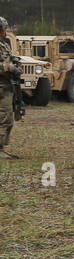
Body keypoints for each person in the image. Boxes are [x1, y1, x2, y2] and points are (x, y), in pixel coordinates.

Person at [0, 17, 22, 159]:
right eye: (3, 30)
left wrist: (15, 62)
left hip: (6, 87)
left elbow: (8, 58)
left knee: (7, 118)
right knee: (3, 117)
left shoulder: (4, 45)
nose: (5, 33)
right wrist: (9, 67)